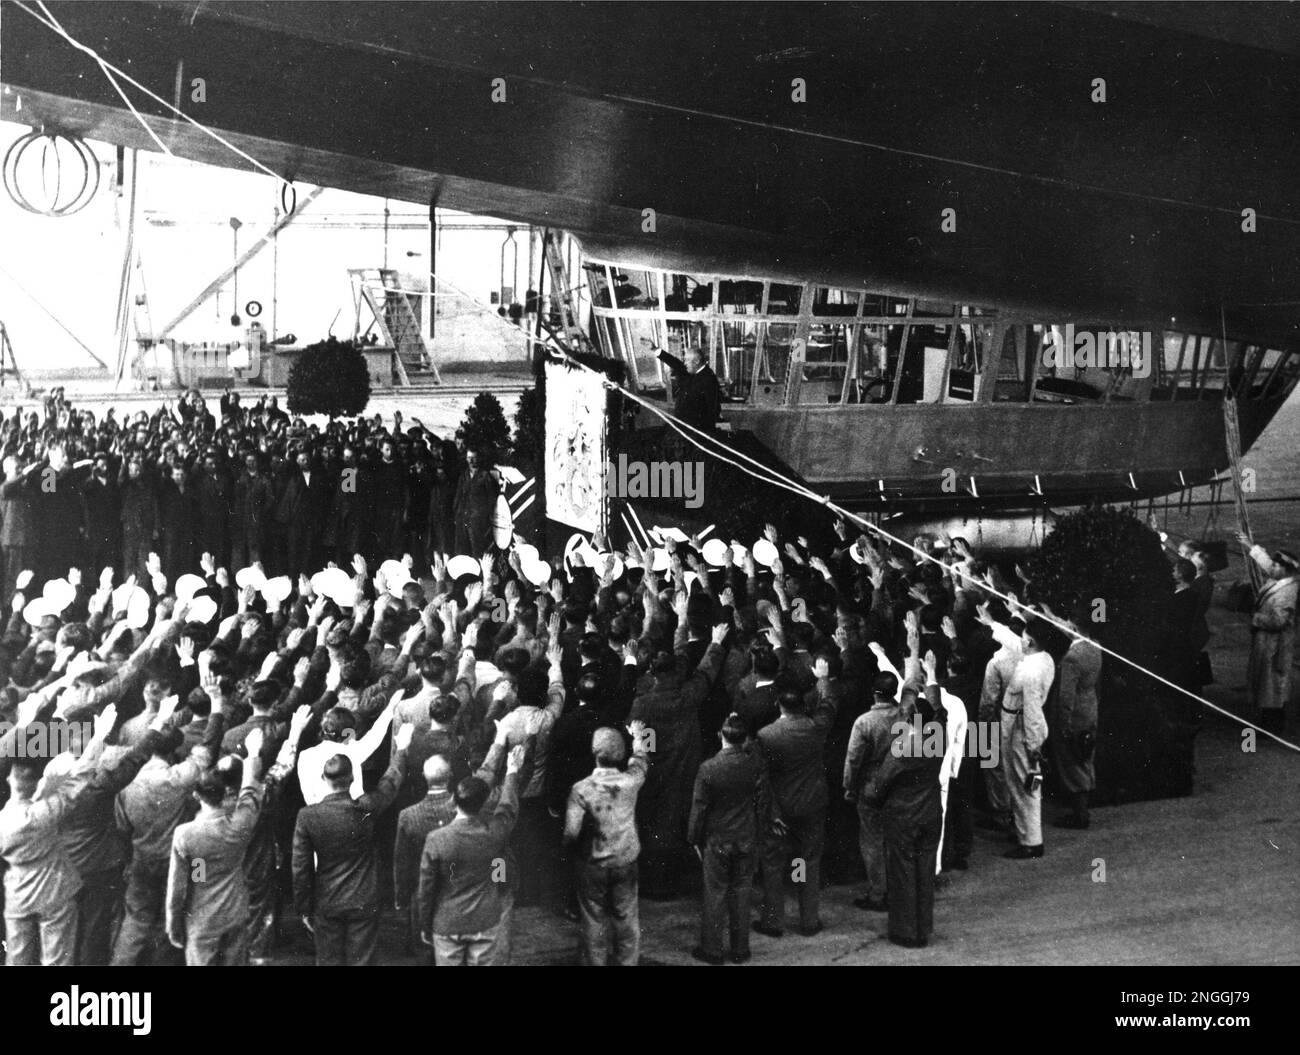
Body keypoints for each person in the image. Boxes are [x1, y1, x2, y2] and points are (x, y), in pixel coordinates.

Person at [0, 704, 119, 966]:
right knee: (57, 955)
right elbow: (78, 780)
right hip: (55, 888)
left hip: (17, 890)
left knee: (17, 956)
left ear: (10, 781)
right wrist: (98, 738)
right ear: (35, 783)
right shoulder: (47, 809)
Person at [291, 723, 415, 966]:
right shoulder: (366, 808)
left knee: (328, 960)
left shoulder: (308, 816)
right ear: (352, 779)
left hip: (327, 899)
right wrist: (402, 748)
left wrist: (303, 907)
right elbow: (391, 781)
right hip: (364, 896)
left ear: (323, 778)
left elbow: (300, 867)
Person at [165, 726, 269, 965]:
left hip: (201, 918)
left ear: (196, 796)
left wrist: (174, 923)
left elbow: (179, 887)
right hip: (235, 910)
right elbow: (251, 791)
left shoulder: (186, 835)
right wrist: (253, 754)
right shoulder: (240, 824)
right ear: (225, 795)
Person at [415, 744, 527, 966]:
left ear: (454, 801)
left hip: (447, 922)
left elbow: (426, 889)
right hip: (485, 919)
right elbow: (508, 807)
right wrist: (512, 770)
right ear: (484, 803)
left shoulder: (436, 839)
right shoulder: (495, 832)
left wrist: (424, 924)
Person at [860, 658, 944, 949]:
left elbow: (880, 786)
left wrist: (871, 797)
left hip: (903, 817)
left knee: (903, 872)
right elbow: (938, 708)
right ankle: (924, 926)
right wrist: (931, 677)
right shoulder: (939, 735)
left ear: (909, 721)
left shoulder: (901, 748)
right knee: (924, 870)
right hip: (931, 811)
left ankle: (907, 931)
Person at [687, 713, 772, 965]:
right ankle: (740, 949)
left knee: (715, 893)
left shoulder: (708, 768)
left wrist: (693, 837)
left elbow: (699, 807)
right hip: (746, 836)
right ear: (745, 738)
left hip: (717, 840)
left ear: (720, 736)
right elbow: (763, 802)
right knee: (742, 892)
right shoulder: (754, 765)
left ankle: (712, 950)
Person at [562, 722, 650, 966]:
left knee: (593, 919)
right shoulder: (631, 782)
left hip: (593, 863)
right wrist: (638, 737)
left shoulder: (581, 790)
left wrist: (567, 855)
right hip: (626, 859)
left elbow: (571, 832)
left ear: (594, 752)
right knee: (627, 918)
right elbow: (641, 761)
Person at [756, 683, 838, 938]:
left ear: (778, 705)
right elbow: (829, 705)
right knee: (806, 860)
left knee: (773, 864)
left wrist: (771, 811)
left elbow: (761, 778)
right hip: (811, 804)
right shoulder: (815, 728)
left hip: (780, 808)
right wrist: (823, 680)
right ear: (803, 706)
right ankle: (808, 920)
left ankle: (773, 922)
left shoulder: (766, 735)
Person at [843, 669, 903, 911]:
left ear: (874, 692)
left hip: (871, 784)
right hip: (898, 783)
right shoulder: (905, 715)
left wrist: (848, 786)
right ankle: (899, 887)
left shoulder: (864, 722)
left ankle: (878, 892)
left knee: (872, 840)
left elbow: (853, 759)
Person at [999, 616, 1055, 859]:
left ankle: (1030, 841)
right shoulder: (1043, 659)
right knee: (1026, 785)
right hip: (1023, 726)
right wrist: (994, 625)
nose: (1020, 641)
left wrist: (1033, 745)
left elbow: (1032, 708)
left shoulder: (1031, 670)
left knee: (1024, 786)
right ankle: (1026, 833)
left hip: (1022, 730)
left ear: (1030, 641)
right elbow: (1016, 645)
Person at [393, 754, 459, 957]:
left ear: (424, 776)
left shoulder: (408, 815)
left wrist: (400, 895)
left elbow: (401, 861)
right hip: (457, 890)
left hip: (420, 890)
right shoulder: (461, 810)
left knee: (423, 948)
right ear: (451, 776)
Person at [1237, 532, 1299, 734]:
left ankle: (1272, 727)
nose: (1272, 568)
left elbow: (1279, 621)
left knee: (1272, 686)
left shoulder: (1287, 592)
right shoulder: (1282, 580)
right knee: (1268, 685)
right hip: (1268, 644)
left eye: (1276, 566)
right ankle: (1268, 721)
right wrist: (1250, 546)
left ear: (1286, 569)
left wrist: (1256, 618)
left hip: (1275, 645)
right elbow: (1267, 564)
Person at [1050, 605, 1102, 829]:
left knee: (1072, 763)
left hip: (1075, 715)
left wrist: (1063, 724)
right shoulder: (1095, 647)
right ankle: (1083, 808)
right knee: (1085, 757)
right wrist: (1050, 615)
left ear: (1073, 625)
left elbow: (1065, 697)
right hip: (1090, 708)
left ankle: (1080, 814)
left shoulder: (1072, 657)